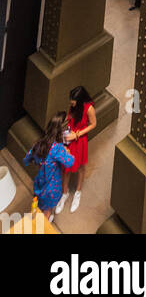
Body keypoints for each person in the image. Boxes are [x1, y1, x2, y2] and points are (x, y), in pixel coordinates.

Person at [24, 113, 75, 222]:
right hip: (51, 187)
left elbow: (28, 157)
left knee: (39, 205)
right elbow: (70, 162)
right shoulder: (58, 148)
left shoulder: (39, 143)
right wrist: (68, 152)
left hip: (40, 183)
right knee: (46, 214)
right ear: (61, 132)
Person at [58, 85, 95, 214]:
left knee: (80, 167)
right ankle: (65, 192)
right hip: (69, 138)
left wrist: (77, 134)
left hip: (80, 140)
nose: (70, 102)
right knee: (66, 167)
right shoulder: (73, 107)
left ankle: (78, 191)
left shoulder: (89, 109)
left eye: (73, 100)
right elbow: (70, 118)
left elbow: (93, 124)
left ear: (79, 100)